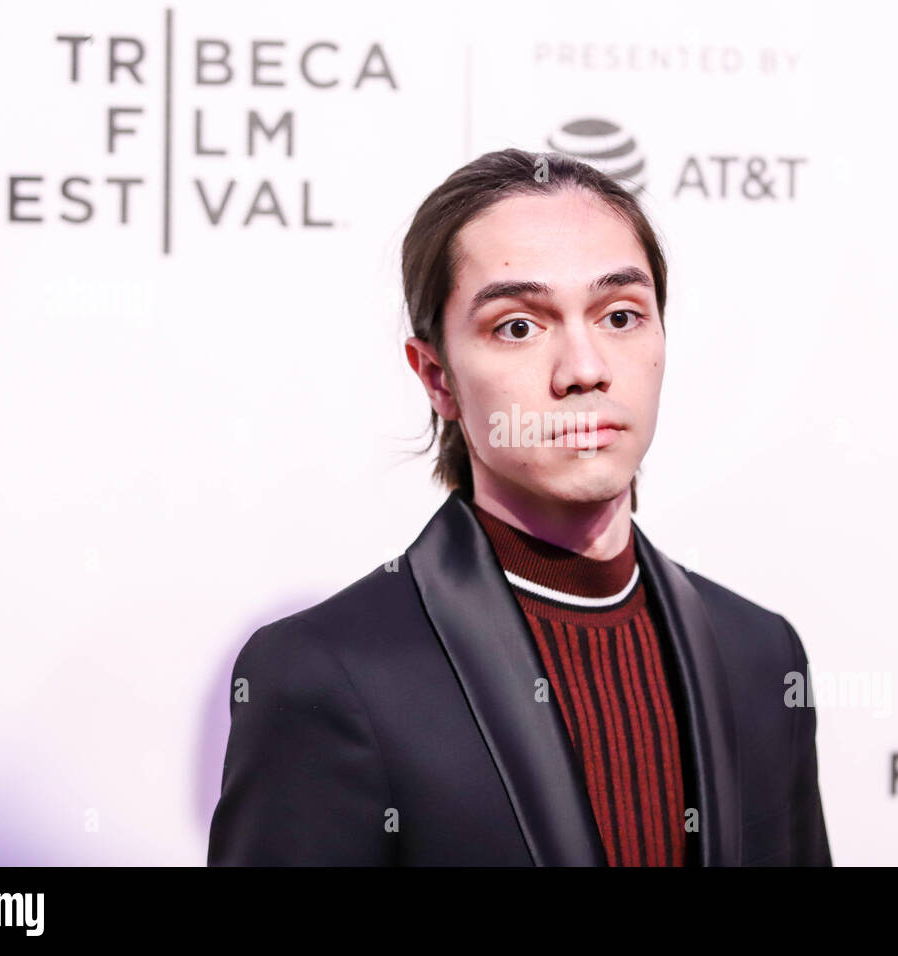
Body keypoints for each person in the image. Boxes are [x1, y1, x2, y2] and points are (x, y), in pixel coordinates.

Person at [207, 148, 832, 866]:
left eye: (621, 316)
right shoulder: (323, 675)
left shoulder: (759, 653)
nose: (585, 369)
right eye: (518, 327)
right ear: (437, 377)